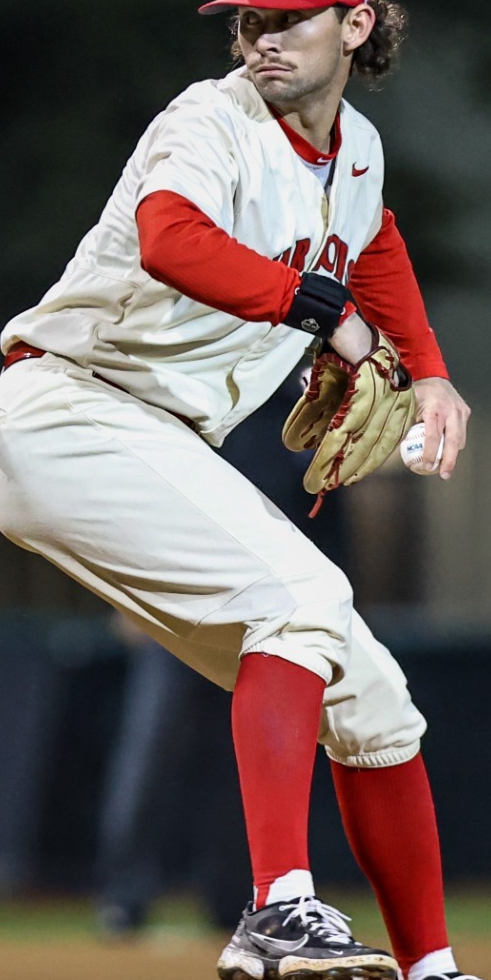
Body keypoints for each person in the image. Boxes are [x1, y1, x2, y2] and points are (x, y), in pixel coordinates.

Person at [0, 0, 491, 980]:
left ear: (355, 25)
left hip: (148, 440)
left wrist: (428, 373)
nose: (259, 40)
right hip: (67, 409)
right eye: (247, 21)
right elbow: (171, 236)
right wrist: (311, 314)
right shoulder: (207, 119)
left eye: (286, 20)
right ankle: (278, 906)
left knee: (369, 698)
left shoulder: (355, 153)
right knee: (302, 598)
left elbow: (370, 246)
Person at [95, 390, 351, 939]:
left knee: (246, 760)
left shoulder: (295, 405)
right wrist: (127, 592)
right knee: (152, 749)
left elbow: (321, 517)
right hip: (180, 601)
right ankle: (123, 896)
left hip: (266, 612)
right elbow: (143, 493)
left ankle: (233, 898)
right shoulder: (193, 389)